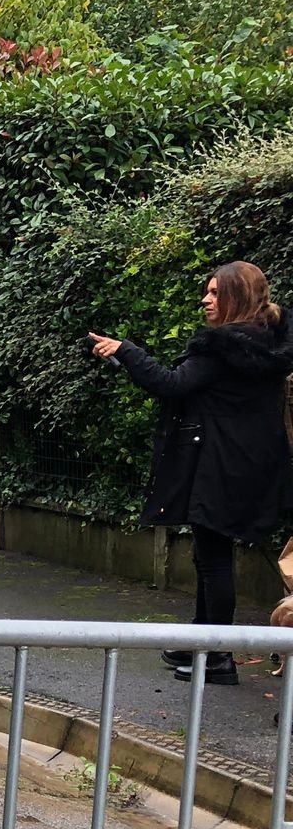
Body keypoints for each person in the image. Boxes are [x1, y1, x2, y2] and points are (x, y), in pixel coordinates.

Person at [90, 260, 293, 685]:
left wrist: (126, 350)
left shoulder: (223, 348)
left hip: (219, 463)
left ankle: (217, 657)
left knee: (214, 557)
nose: (206, 299)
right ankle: (202, 640)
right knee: (209, 552)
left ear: (237, 298)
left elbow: (172, 383)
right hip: (251, 462)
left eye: (217, 292)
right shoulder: (268, 346)